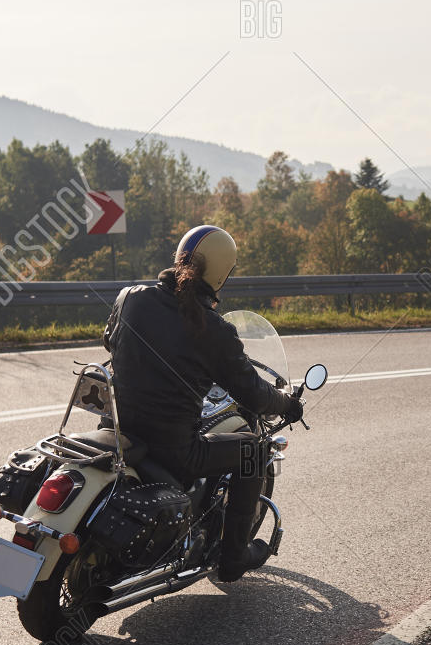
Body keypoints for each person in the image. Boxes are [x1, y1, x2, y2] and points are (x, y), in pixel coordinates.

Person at [102, 225, 303, 581]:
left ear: (179, 256)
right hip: (174, 451)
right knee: (255, 452)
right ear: (222, 273)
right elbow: (254, 394)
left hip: (117, 431)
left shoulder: (130, 297)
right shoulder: (213, 329)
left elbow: (110, 341)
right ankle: (234, 558)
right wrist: (287, 404)